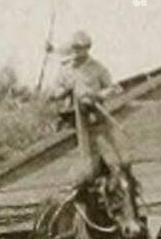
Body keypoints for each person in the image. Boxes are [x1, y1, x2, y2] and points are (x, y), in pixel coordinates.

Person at [47, 30, 120, 168]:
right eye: (74, 47)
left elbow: (113, 89)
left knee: (101, 149)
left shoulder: (98, 68)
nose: (76, 51)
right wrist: (62, 91)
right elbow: (55, 92)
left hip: (93, 114)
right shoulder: (66, 69)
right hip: (71, 116)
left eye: (80, 48)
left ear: (87, 48)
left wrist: (97, 95)